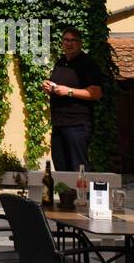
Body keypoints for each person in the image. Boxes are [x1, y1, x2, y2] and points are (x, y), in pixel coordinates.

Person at [42, 25, 104, 171]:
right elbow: (59, 88)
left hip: (77, 125)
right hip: (58, 124)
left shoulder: (88, 64)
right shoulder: (60, 62)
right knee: (61, 170)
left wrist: (69, 92)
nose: (69, 43)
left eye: (73, 40)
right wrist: (48, 86)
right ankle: (66, 195)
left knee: (78, 169)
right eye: (66, 40)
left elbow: (96, 93)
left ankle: (82, 195)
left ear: (80, 43)